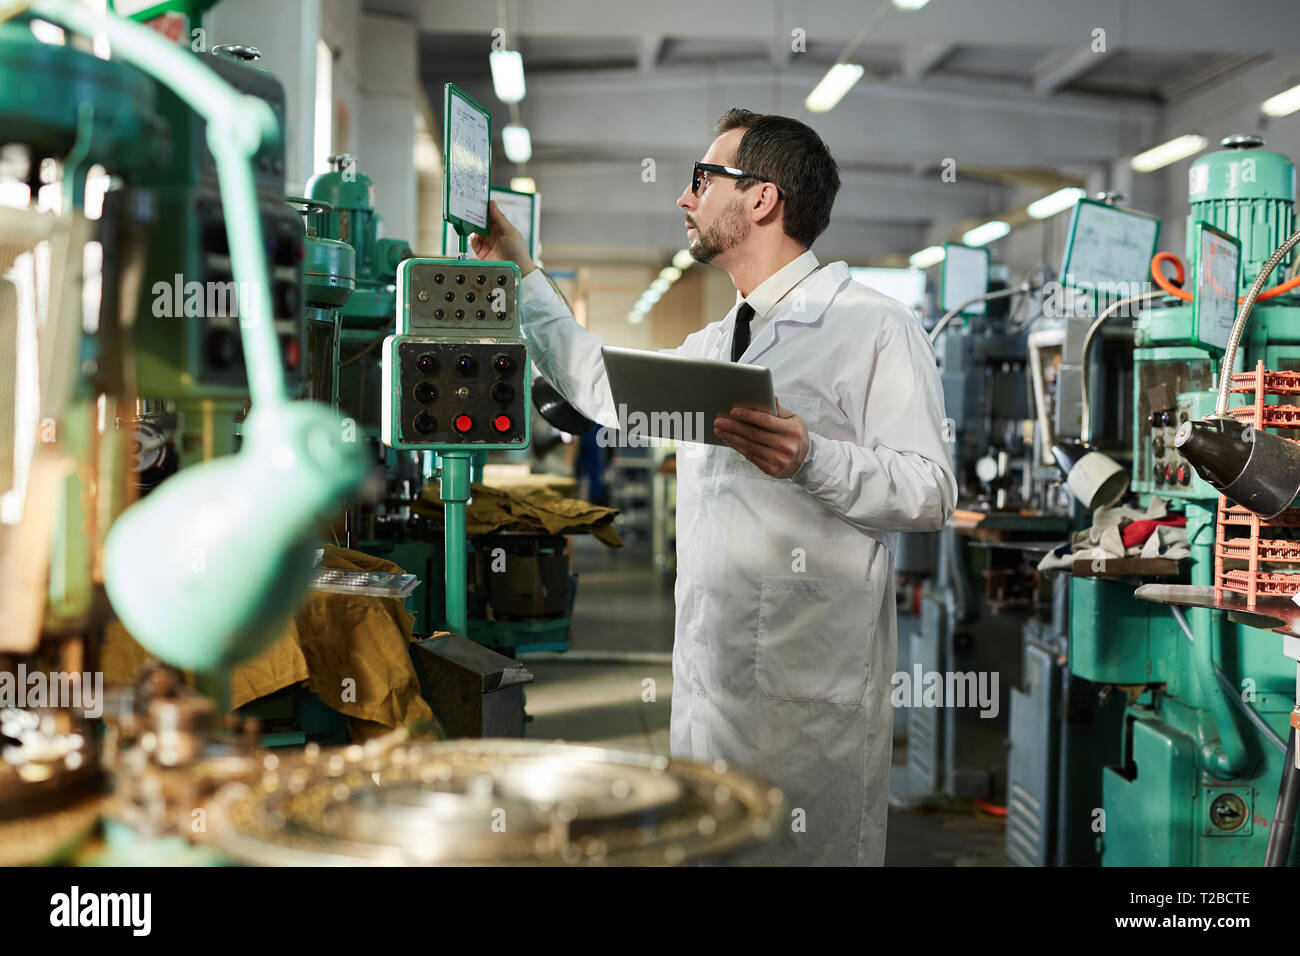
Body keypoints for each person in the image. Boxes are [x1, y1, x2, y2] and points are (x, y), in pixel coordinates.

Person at [471, 108, 957, 865]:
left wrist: (812, 459)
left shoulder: (873, 327)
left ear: (762, 199)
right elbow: (599, 383)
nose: (684, 198)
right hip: (710, 688)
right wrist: (523, 272)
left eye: (702, 180)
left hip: (810, 698)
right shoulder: (713, 342)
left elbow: (929, 492)